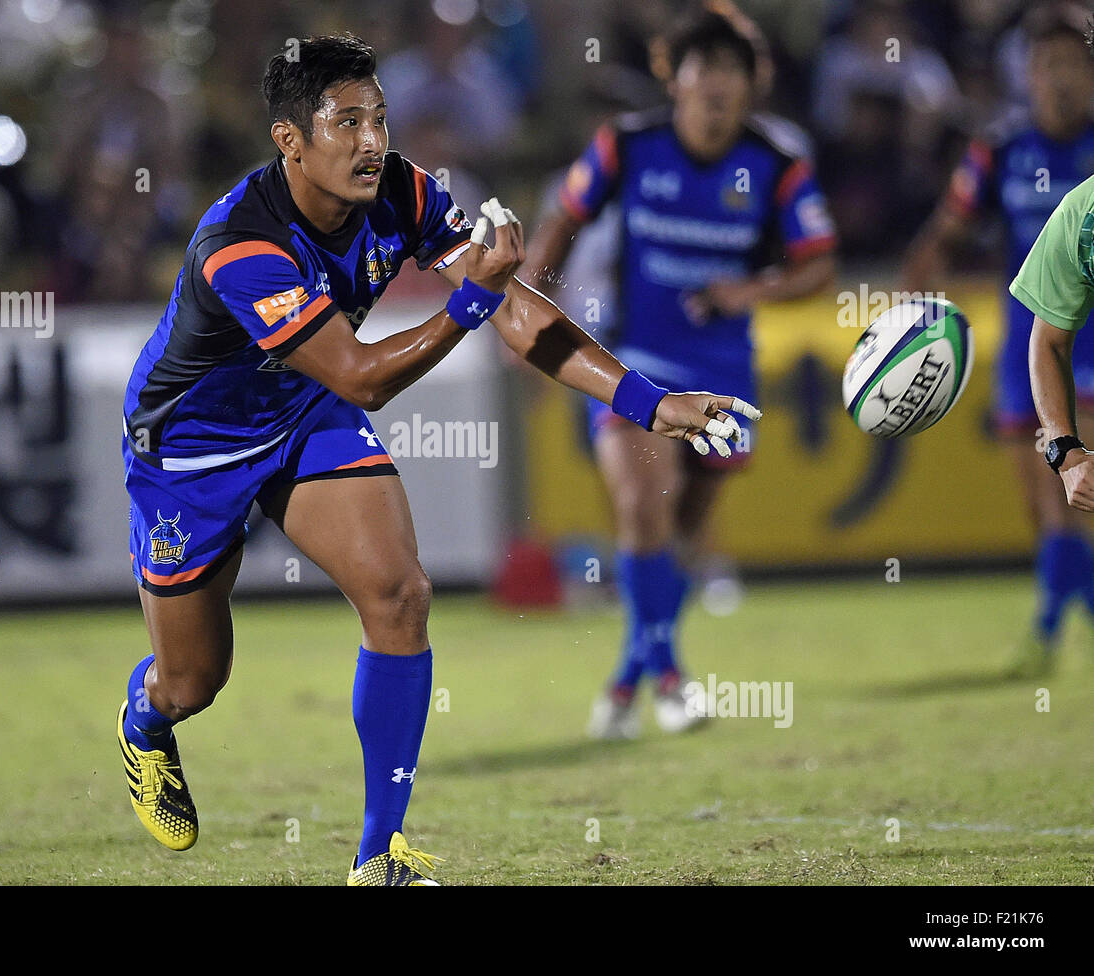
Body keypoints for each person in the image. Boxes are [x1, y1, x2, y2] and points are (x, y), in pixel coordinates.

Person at [116, 32, 757, 885]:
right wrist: (469, 303)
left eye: (379, 117)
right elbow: (364, 375)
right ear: (289, 141)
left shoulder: (403, 191)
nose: (372, 141)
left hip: (304, 416)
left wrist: (653, 402)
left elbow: (520, 316)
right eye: (346, 123)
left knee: (400, 595)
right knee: (196, 680)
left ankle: (379, 852)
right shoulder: (242, 246)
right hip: (191, 452)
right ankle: (147, 716)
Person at [526, 9, 835, 740]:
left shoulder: (778, 161)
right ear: (676, 78)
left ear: (751, 83)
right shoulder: (626, 146)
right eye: (703, 67)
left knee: (684, 536)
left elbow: (820, 264)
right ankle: (671, 681)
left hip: (725, 376)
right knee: (641, 507)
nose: (717, 83)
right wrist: (531, 318)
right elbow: (559, 226)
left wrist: (749, 292)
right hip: (636, 364)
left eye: (732, 69)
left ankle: (632, 673)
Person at [904, 3, 1094, 677]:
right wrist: (911, 304)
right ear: (1028, 75)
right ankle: (1054, 621)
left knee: (1076, 484)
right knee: (1045, 501)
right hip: (1031, 348)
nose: (1062, 78)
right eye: (1048, 65)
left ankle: (1051, 625)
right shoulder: (1000, 149)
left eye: (1074, 63)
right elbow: (947, 231)